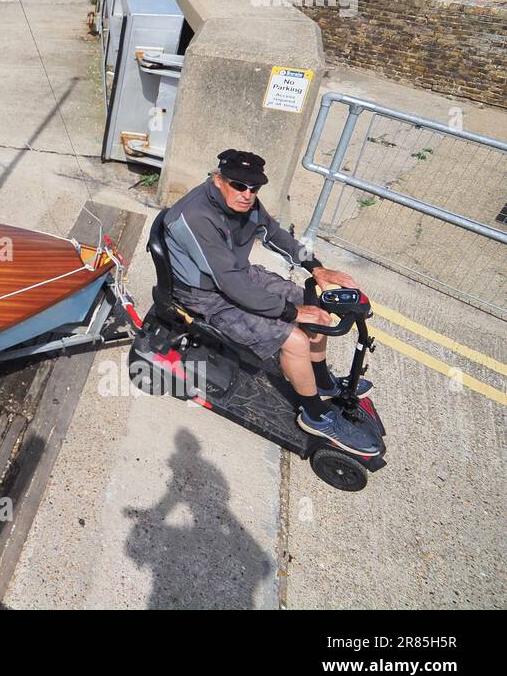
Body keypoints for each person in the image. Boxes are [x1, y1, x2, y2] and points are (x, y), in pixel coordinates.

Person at [162, 149, 379, 457]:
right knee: (294, 339)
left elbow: (276, 236)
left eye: (254, 188)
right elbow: (230, 284)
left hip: (241, 275)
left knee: (315, 308)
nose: (247, 194)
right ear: (217, 179)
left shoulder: (245, 203)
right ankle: (315, 415)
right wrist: (290, 313)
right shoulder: (196, 217)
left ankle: (323, 383)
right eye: (239, 185)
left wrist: (315, 267)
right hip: (207, 298)